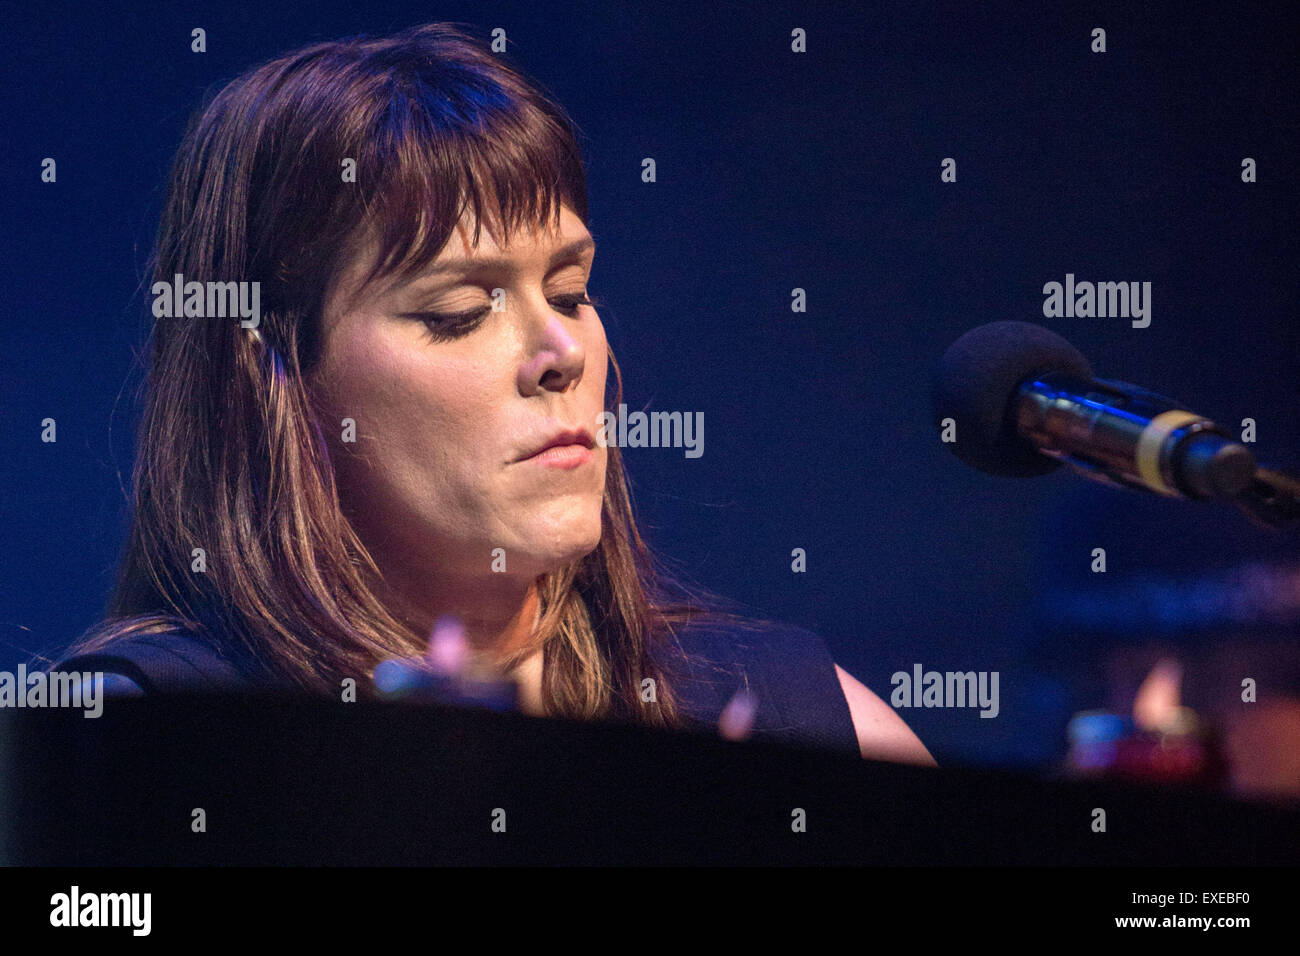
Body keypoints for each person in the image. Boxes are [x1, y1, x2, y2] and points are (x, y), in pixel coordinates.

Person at [53, 22, 934, 767]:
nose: (559, 353)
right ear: (271, 375)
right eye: (459, 311)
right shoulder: (137, 737)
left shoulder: (794, 712)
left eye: (570, 293)